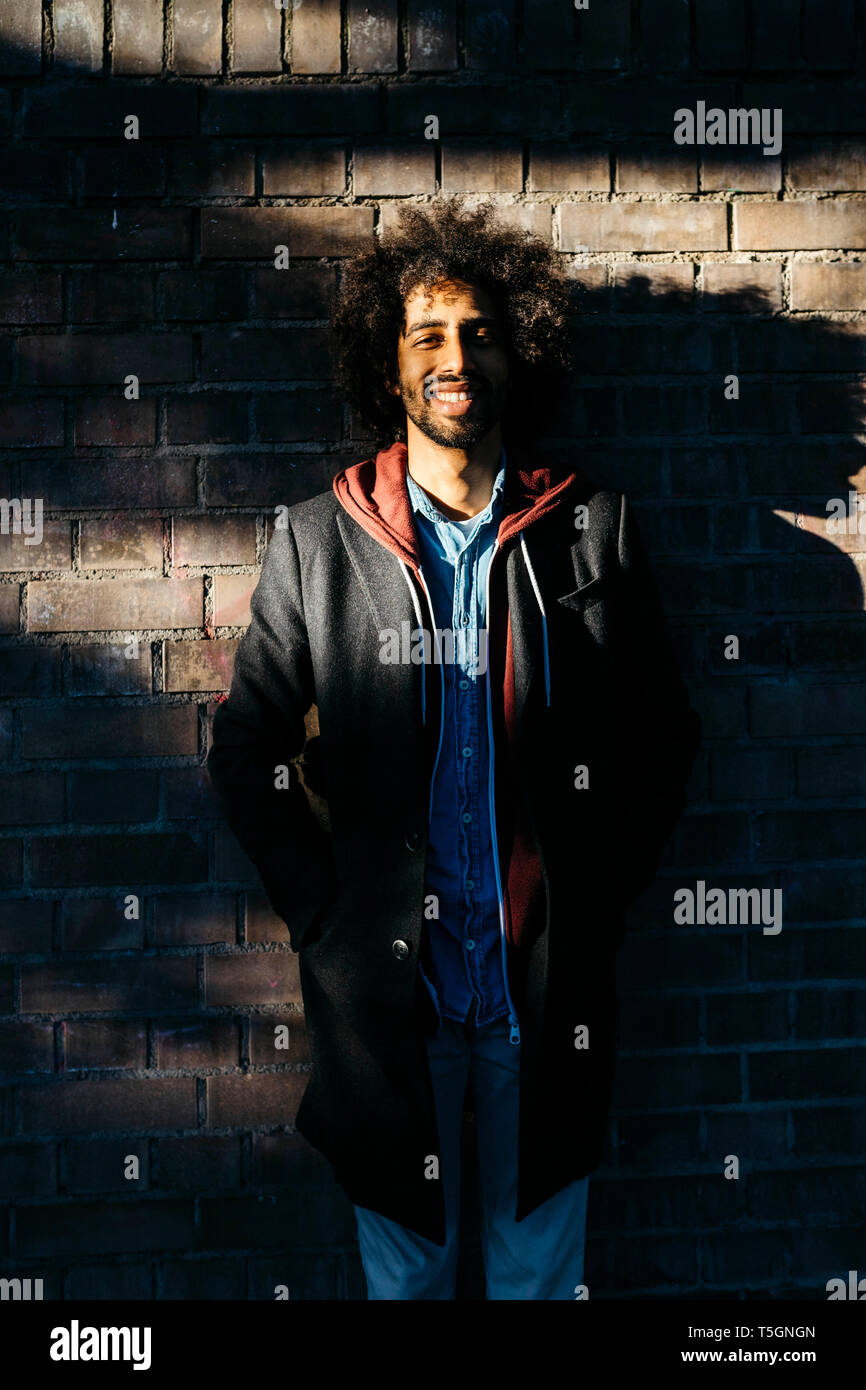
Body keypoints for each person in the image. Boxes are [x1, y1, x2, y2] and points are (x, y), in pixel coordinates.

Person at [206, 198, 702, 1300]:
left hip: (540, 996)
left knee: (535, 1285)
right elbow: (246, 750)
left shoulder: (586, 530)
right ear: (388, 368)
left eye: (476, 331)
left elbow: (661, 739)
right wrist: (324, 914)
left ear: (512, 349)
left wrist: (589, 895)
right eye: (425, 336)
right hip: (392, 1012)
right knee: (411, 1291)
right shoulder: (319, 540)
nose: (454, 357)